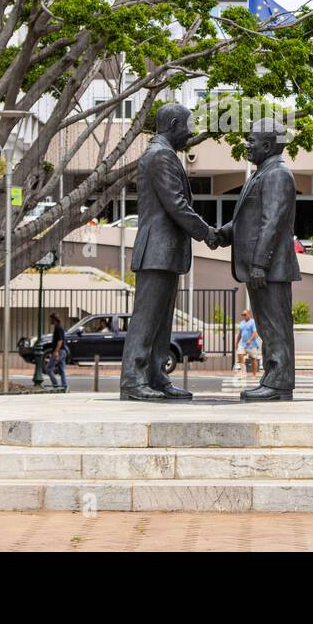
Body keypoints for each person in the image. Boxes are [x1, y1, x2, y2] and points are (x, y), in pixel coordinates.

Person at [119, 104, 218, 401]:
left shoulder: (164, 154)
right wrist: (208, 233)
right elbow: (177, 205)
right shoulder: (160, 155)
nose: (191, 132)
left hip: (166, 252)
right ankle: (134, 381)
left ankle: (157, 376)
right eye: (188, 125)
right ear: (174, 124)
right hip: (157, 250)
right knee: (147, 319)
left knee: (161, 321)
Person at [214, 118, 300, 402]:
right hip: (262, 267)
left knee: (275, 326)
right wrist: (221, 234)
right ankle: (273, 379)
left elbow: (271, 223)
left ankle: (278, 382)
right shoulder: (262, 173)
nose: (247, 145)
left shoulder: (277, 174)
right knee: (267, 326)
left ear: (268, 144)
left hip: (270, 267)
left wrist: (260, 263)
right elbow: (247, 221)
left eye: (252, 140)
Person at [43, 312, 68, 391]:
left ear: (54, 319)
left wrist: (56, 351)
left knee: (48, 368)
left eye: (50, 319)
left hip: (59, 351)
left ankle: (55, 385)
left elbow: (60, 341)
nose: (49, 320)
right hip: (63, 351)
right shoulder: (58, 327)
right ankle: (64, 386)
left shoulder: (58, 328)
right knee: (61, 370)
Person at [234, 309, 261, 375]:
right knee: (240, 354)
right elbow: (240, 334)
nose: (244, 316)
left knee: (253, 358)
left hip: (252, 344)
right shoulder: (242, 323)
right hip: (243, 344)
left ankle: (254, 374)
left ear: (249, 314)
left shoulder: (252, 322)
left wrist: (250, 340)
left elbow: (255, 332)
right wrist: (236, 343)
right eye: (242, 315)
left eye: (245, 314)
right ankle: (243, 371)